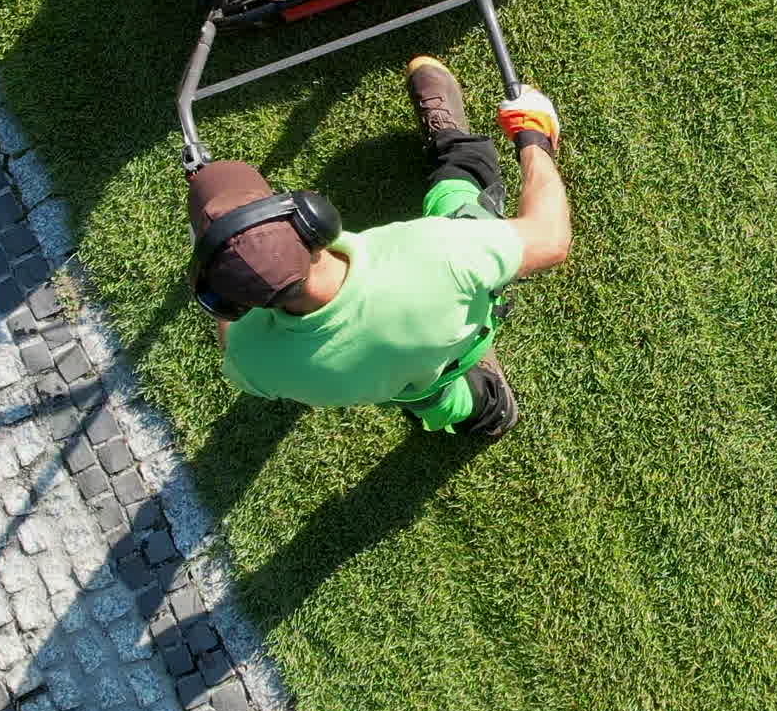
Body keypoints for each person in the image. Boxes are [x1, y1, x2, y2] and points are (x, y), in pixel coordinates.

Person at [189, 57, 571, 440]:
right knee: (460, 188)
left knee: (434, 398)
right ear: (311, 217)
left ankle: (488, 412)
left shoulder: (252, 361)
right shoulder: (440, 253)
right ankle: (451, 143)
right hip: (467, 327)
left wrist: (223, 262)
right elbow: (551, 239)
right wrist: (534, 137)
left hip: (407, 384)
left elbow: (232, 334)